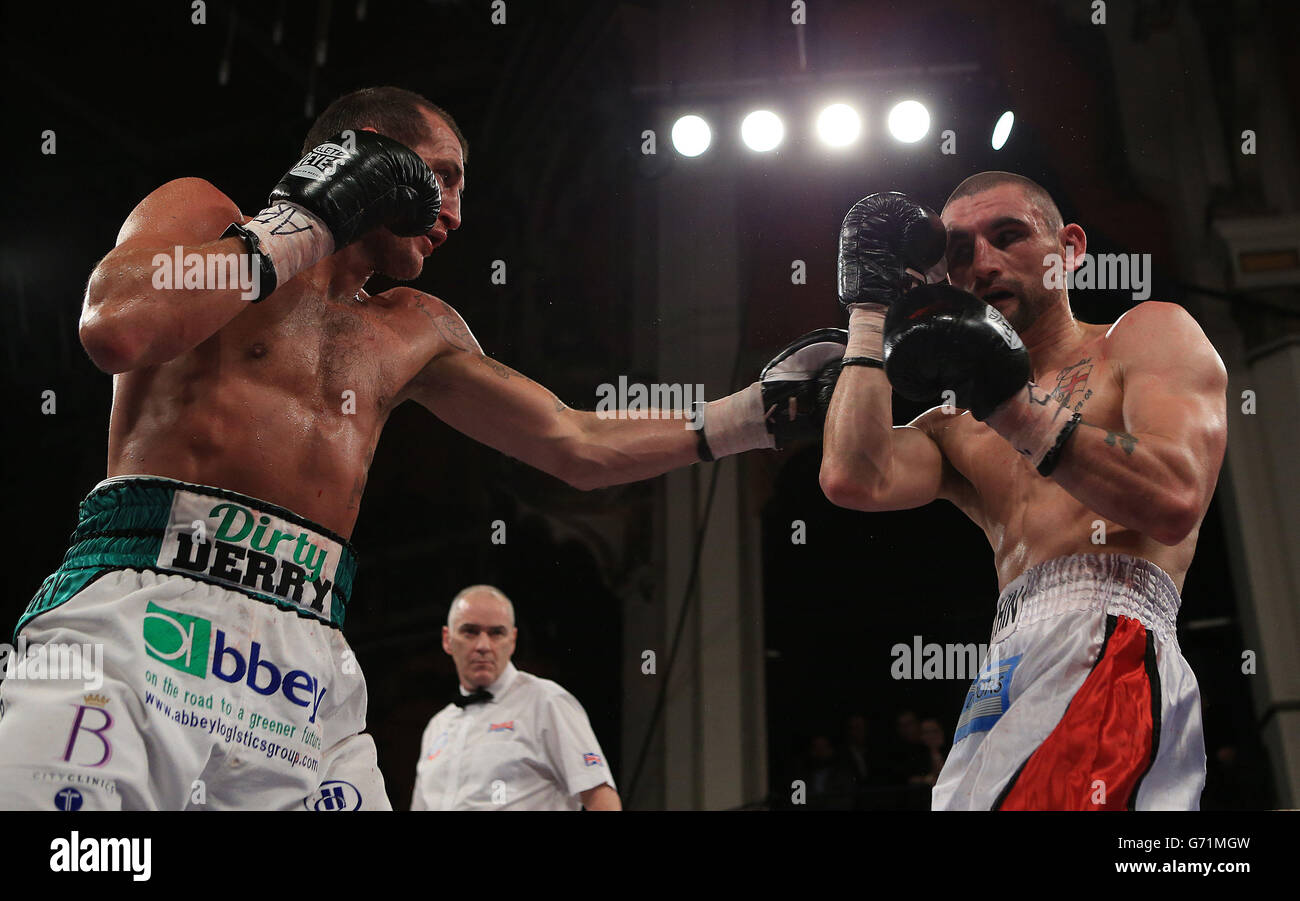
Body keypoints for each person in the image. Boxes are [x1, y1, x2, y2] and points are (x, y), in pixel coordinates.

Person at [0, 86, 845, 810]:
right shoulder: (206, 214)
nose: (455, 213)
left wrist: (752, 416)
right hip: (144, 612)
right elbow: (118, 327)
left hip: (302, 660)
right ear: (364, 156)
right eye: (440, 177)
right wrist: (306, 219)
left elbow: (575, 441)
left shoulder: (415, 330)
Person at [821, 174, 1228, 810]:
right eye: (958, 252)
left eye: (1008, 236)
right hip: (1001, 674)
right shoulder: (955, 425)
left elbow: (1174, 497)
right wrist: (869, 312)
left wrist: (1012, 406)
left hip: (1110, 635)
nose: (983, 263)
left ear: (1069, 249)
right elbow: (853, 476)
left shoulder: (1145, 336)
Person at [411, 585, 618, 810]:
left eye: (496, 633)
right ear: (447, 639)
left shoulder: (547, 702)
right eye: (470, 631)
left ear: (512, 640)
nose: (483, 646)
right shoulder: (437, 727)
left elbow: (599, 795)